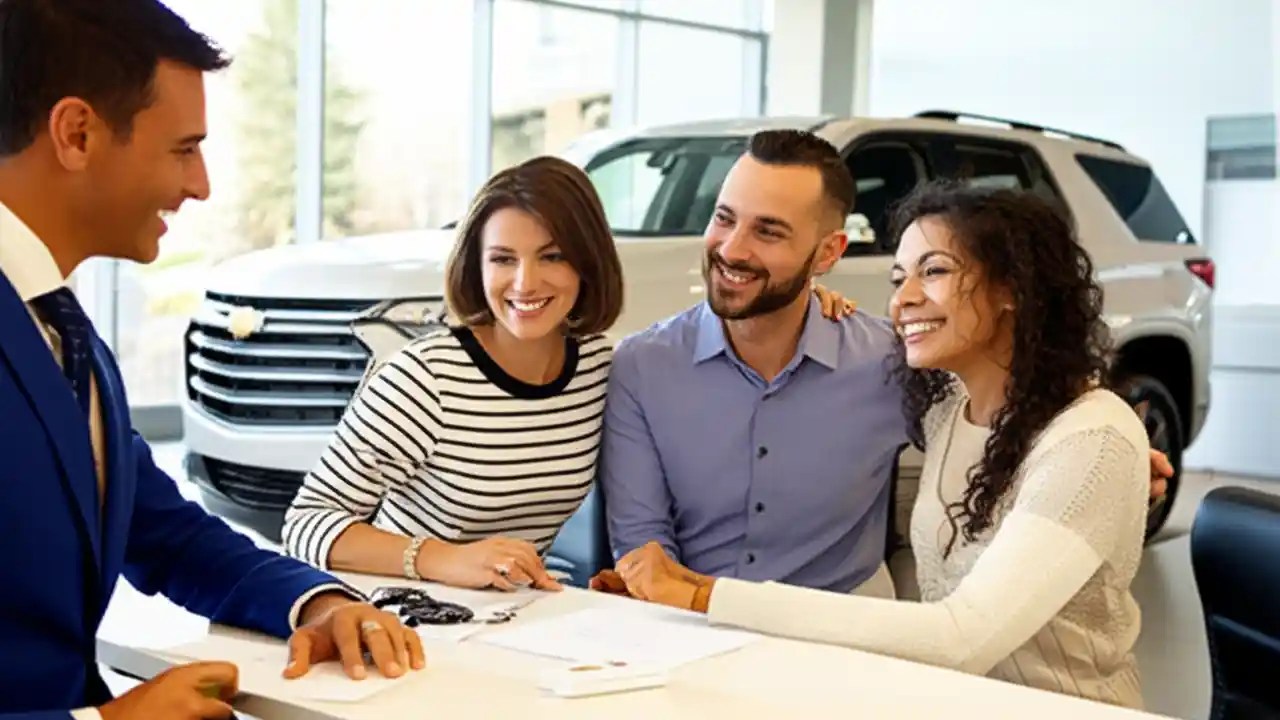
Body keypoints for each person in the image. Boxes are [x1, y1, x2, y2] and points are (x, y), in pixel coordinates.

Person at [0, 2, 422, 718]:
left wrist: (313, 602)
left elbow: (161, 531)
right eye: (182, 148)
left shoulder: (63, 333)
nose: (201, 185)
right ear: (77, 134)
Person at [614, 181, 1151, 709]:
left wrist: (706, 594)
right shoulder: (945, 409)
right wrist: (801, 300)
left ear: (1013, 288)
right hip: (947, 701)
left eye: (934, 271)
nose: (903, 300)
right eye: (900, 278)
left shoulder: (1092, 439)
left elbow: (961, 637)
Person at [592, 129, 1172, 603]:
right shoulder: (643, 366)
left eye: (768, 230)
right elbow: (643, 543)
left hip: (850, 641)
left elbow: (1006, 401)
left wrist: (1097, 450)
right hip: (690, 624)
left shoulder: (890, 361)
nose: (732, 248)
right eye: (725, 218)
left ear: (827, 254)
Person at [282, 156, 624, 592]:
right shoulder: (424, 379)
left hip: (520, 617)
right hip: (404, 615)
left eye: (552, 256)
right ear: (476, 267)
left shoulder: (598, 368)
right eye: (503, 259)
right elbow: (305, 524)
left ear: (588, 263)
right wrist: (446, 559)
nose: (525, 282)